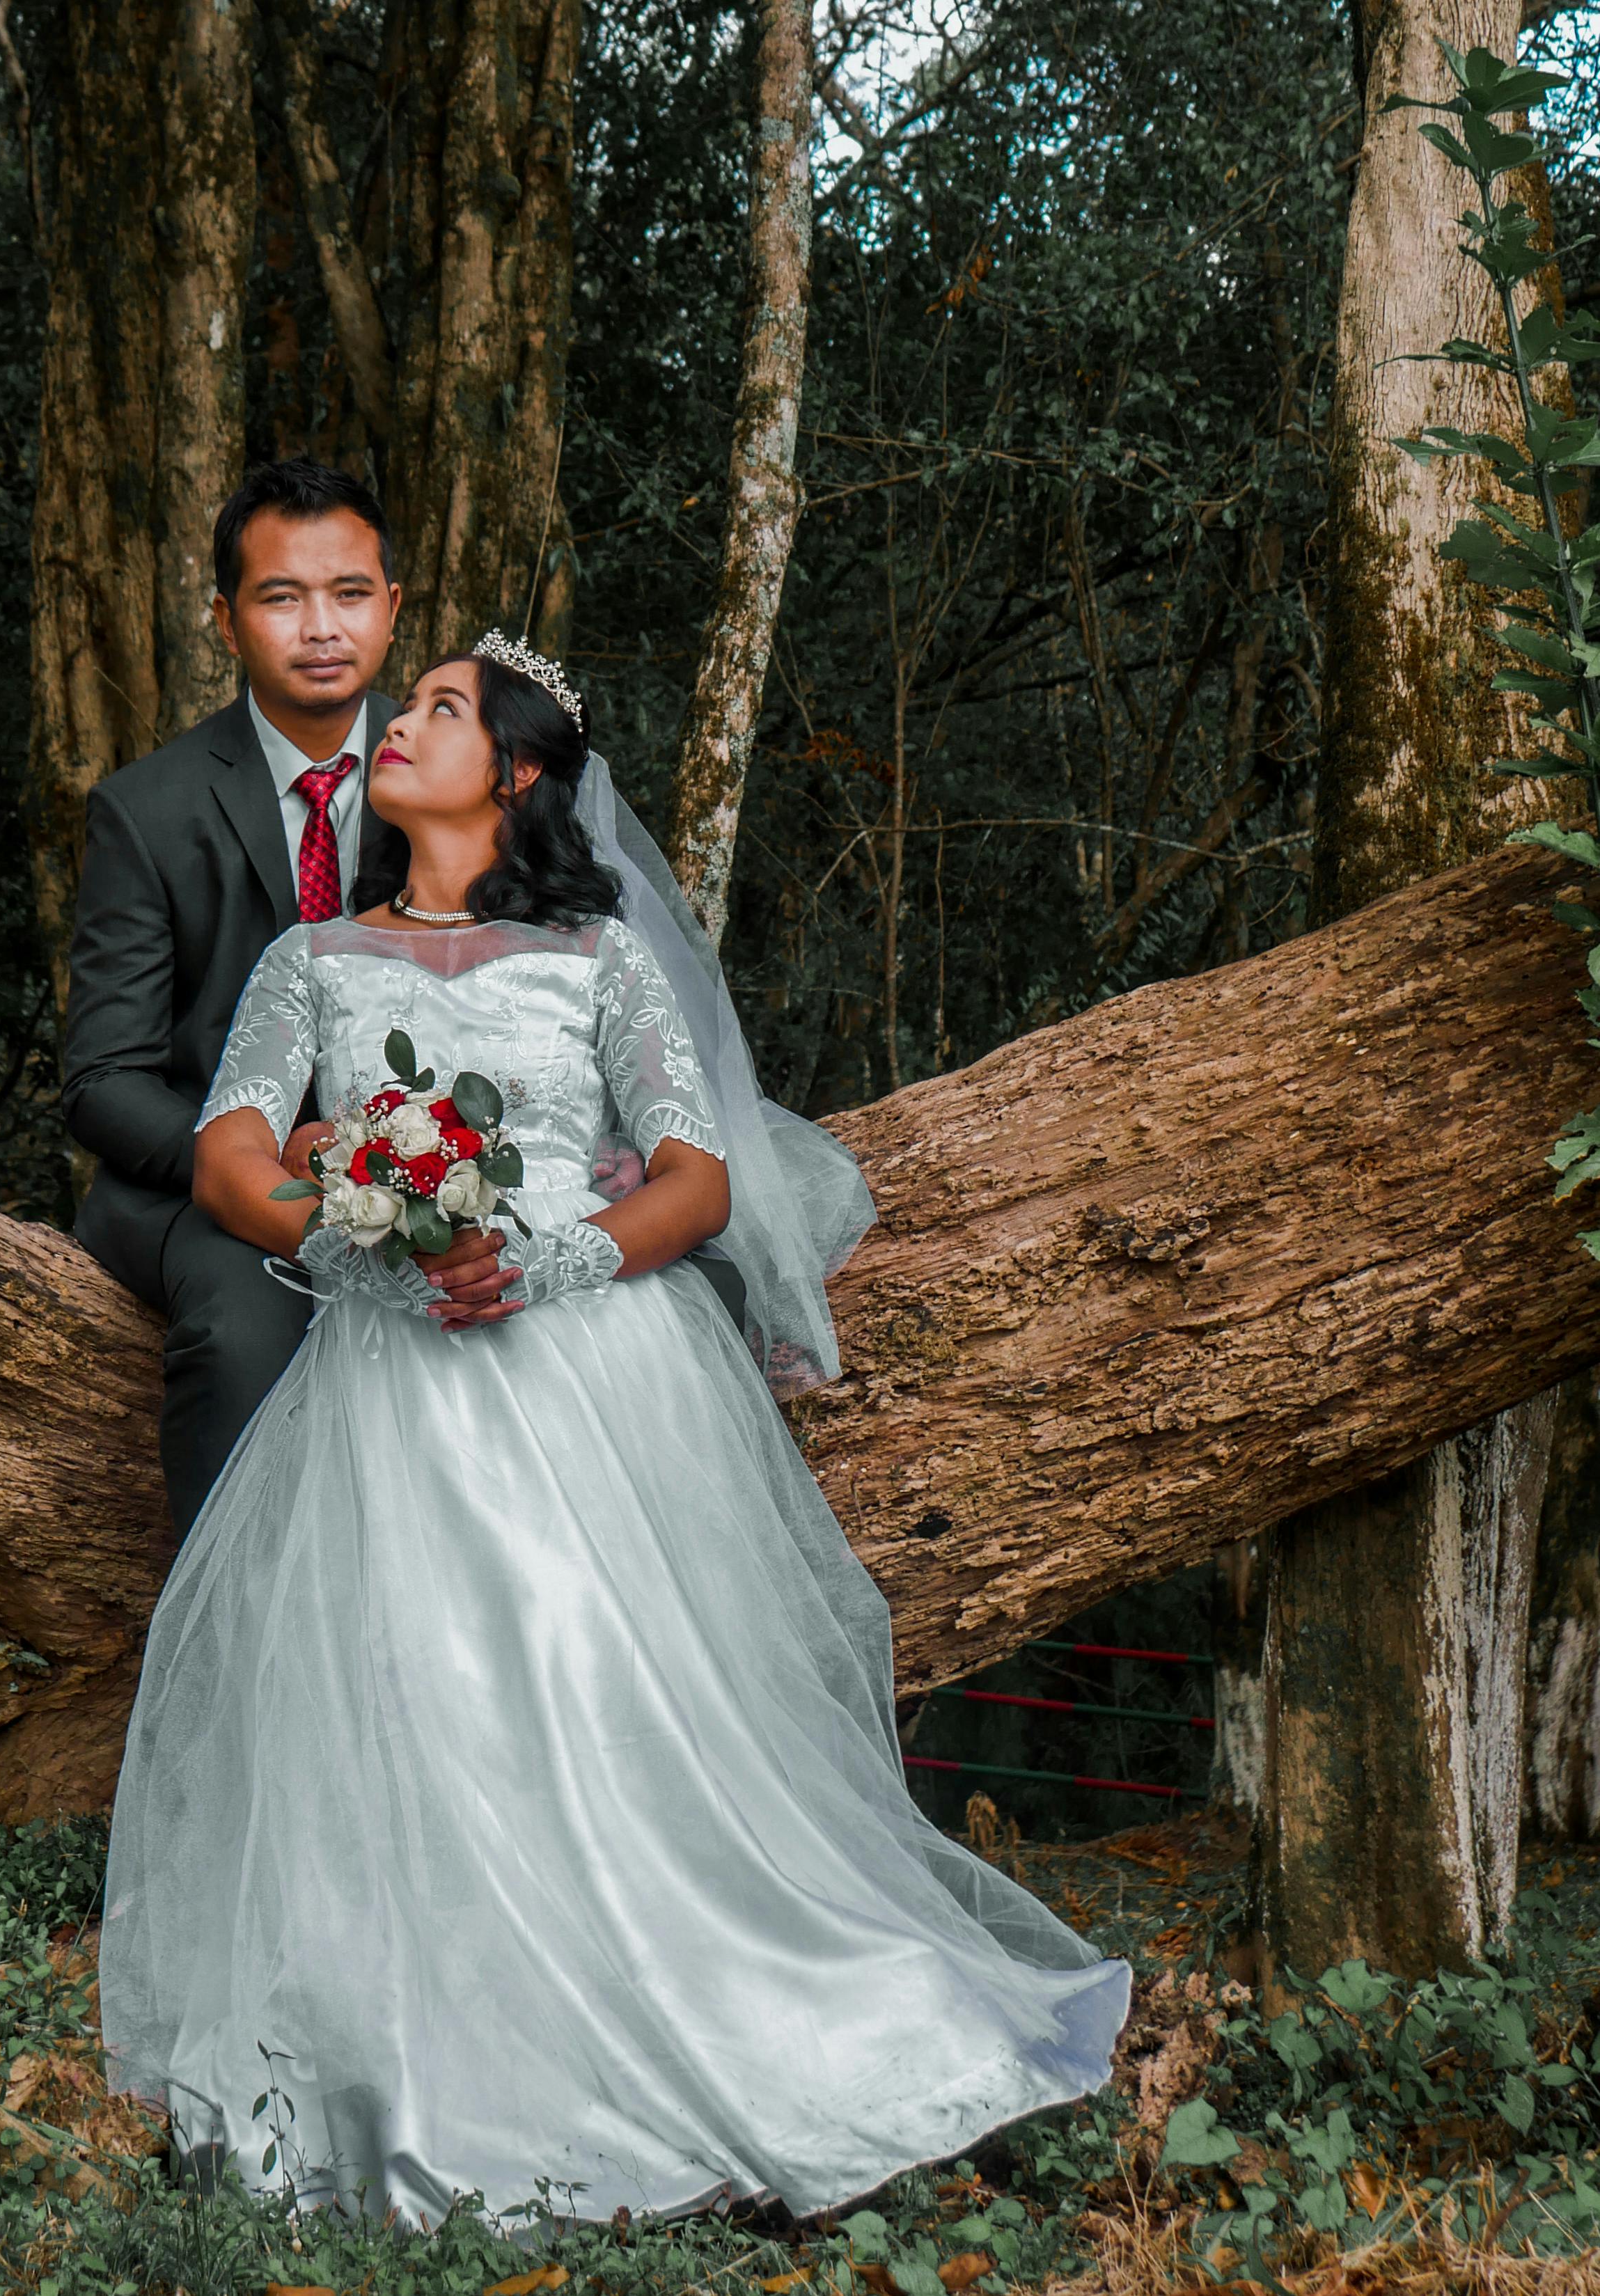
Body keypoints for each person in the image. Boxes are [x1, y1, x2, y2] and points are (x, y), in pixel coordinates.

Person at [100, 632, 1131, 2229]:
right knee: (395, 1683)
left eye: (440, 710)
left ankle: (698, 2009)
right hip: (382, 1382)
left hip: (593, 1369)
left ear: (511, 774)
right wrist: (353, 1224)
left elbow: (694, 1174)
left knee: (599, 1676)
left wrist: (553, 1253)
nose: (402, 726)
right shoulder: (312, 956)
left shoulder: (597, 963)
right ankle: (414, 2054)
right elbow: (235, 1151)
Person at [61, 459, 511, 1532]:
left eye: (349, 594)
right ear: (225, 619)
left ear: (393, 610)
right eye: (281, 597)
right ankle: (223, 1660)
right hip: (193, 1193)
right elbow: (102, 1079)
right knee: (246, 1327)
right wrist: (258, 1158)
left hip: (435, 1172)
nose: (321, 627)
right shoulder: (147, 810)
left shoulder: (456, 764)